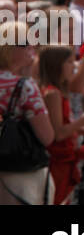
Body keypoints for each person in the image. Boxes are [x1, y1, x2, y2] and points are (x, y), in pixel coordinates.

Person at [37, 47, 84, 204]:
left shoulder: (58, 92)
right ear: (56, 65)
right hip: (58, 162)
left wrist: (82, 130)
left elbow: (61, 125)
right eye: (68, 62)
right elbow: (58, 133)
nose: (73, 66)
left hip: (65, 159)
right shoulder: (52, 93)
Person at [0, 34, 55, 205]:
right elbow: (47, 137)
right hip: (19, 177)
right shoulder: (25, 86)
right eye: (25, 44)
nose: (31, 48)